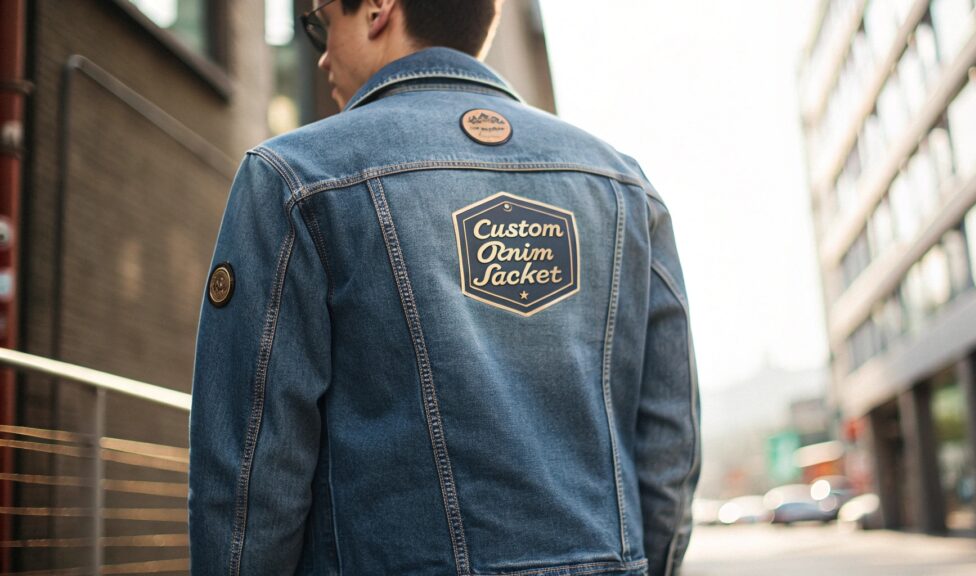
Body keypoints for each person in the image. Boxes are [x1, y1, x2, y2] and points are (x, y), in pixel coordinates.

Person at [188, 0, 701, 574]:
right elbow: (669, 445)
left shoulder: (294, 178)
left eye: (321, 22)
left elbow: (250, 474)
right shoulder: (625, 188)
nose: (324, 55)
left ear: (379, 8)